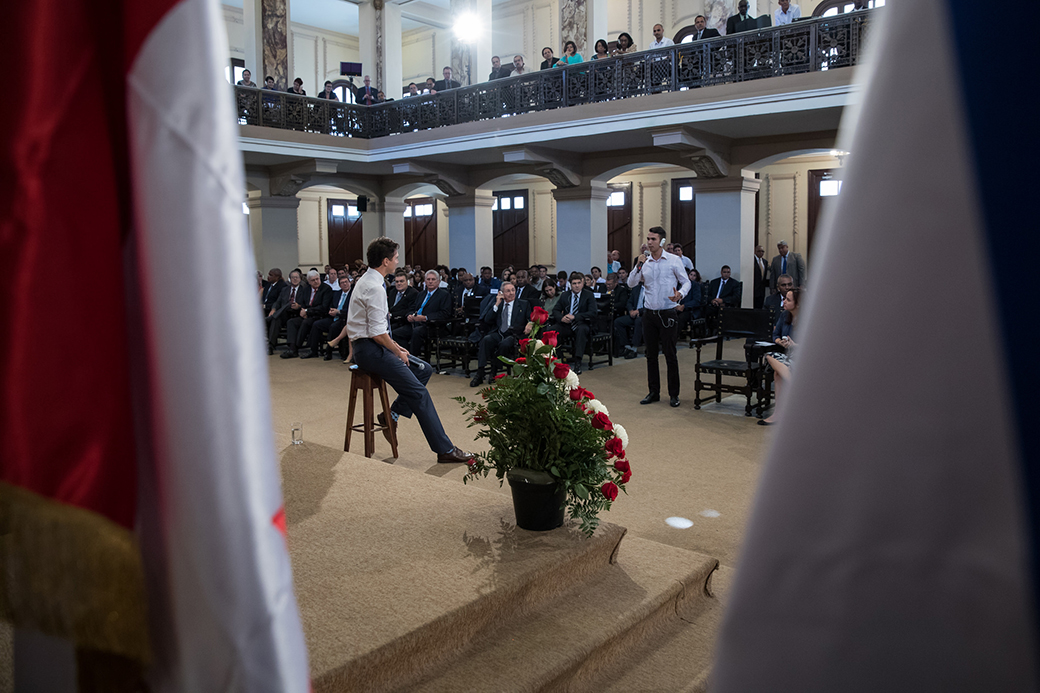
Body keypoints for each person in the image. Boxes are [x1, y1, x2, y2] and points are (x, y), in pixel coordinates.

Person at [347, 237, 474, 463]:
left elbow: (377, 330)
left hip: (372, 345)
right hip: (370, 350)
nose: (398, 262)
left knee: (424, 369)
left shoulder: (368, 280)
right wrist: (397, 352)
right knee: (419, 393)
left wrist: (396, 347)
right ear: (386, 261)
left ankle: (391, 414)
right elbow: (377, 333)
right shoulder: (374, 287)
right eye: (396, 258)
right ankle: (445, 450)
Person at [627, 227, 690, 407]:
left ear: (661, 241)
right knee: (651, 355)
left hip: (667, 313)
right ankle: (654, 392)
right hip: (649, 314)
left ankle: (674, 394)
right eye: (648, 239)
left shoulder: (673, 260)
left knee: (670, 354)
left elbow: (686, 282)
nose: (649, 242)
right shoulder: (643, 262)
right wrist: (638, 266)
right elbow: (631, 283)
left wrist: (680, 294)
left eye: (653, 239)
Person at [470, 281, 533, 386]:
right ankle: (480, 372)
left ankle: (494, 370)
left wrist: (530, 323)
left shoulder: (523, 304)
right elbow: (487, 320)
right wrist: (496, 304)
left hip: (514, 334)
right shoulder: (499, 304)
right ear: (502, 293)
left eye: (513, 290)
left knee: (505, 344)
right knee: (486, 340)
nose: (511, 293)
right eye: (508, 291)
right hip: (499, 332)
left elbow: (530, 317)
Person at [759, 287, 802, 425]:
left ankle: (778, 414)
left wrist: (795, 345)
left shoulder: (809, 319)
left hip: (803, 358)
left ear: (798, 304)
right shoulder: (784, 315)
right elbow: (775, 335)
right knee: (769, 356)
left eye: (788, 300)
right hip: (787, 355)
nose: (784, 302)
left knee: (777, 374)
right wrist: (781, 342)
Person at [395, 270, 451, 355]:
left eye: (433, 279)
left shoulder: (444, 295)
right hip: (416, 323)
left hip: (432, 326)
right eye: (428, 279)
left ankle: (414, 358)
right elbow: (413, 308)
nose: (430, 281)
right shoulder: (421, 294)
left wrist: (425, 318)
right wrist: (409, 315)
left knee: (417, 332)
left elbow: (445, 313)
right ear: (425, 281)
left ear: (438, 281)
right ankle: (405, 355)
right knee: (396, 333)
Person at [552, 272, 597, 374]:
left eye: (579, 283)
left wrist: (575, 317)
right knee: (552, 330)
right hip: (567, 324)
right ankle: (559, 358)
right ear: (570, 285)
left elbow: (593, 313)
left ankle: (578, 361)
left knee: (581, 331)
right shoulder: (565, 295)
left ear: (582, 283)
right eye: (574, 283)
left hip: (583, 323)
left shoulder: (588, 295)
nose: (577, 286)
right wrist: (562, 318)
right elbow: (556, 310)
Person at [282, 270, 331, 358]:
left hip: (319, 316)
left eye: (317, 279)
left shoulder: (326, 289)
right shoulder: (307, 289)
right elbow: (303, 303)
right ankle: (292, 348)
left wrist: (307, 311)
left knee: (306, 322)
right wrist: (303, 310)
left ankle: (296, 347)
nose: (316, 281)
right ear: (308, 281)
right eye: (313, 280)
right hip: (307, 315)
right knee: (291, 322)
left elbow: (324, 307)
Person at [311, 273, 353, 361]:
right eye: (342, 283)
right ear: (339, 285)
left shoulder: (353, 294)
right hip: (333, 317)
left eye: (346, 282)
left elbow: (352, 310)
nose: (344, 284)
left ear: (349, 283)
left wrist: (339, 312)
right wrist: (331, 310)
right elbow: (330, 305)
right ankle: (313, 351)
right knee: (317, 324)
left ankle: (328, 351)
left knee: (333, 327)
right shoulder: (337, 294)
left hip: (344, 319)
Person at [613, 280, 644, 358]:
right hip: (633, 313)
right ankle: (626, 346)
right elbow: (629, 302)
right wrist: (630, 310)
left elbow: (652, 305)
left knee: (638, 322)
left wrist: (639, 311)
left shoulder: (652, 290)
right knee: (618, 322)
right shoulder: (636, 289)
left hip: (645, 315)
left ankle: (634, 348)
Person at [676, 268, 704, 335]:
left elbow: (696, 301)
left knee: (681, 318)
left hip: (690, 309)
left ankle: (674, 337)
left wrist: (684, 306)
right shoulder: (678, 285)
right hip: (677, 307)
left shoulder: (695, 285)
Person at [753, 244, 769, 309]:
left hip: (762, 290)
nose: (761, 253)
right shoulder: (752, 261)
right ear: (755, 252)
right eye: (759, 251)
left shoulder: (765, 262)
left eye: (762, 251)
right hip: (754, 289)